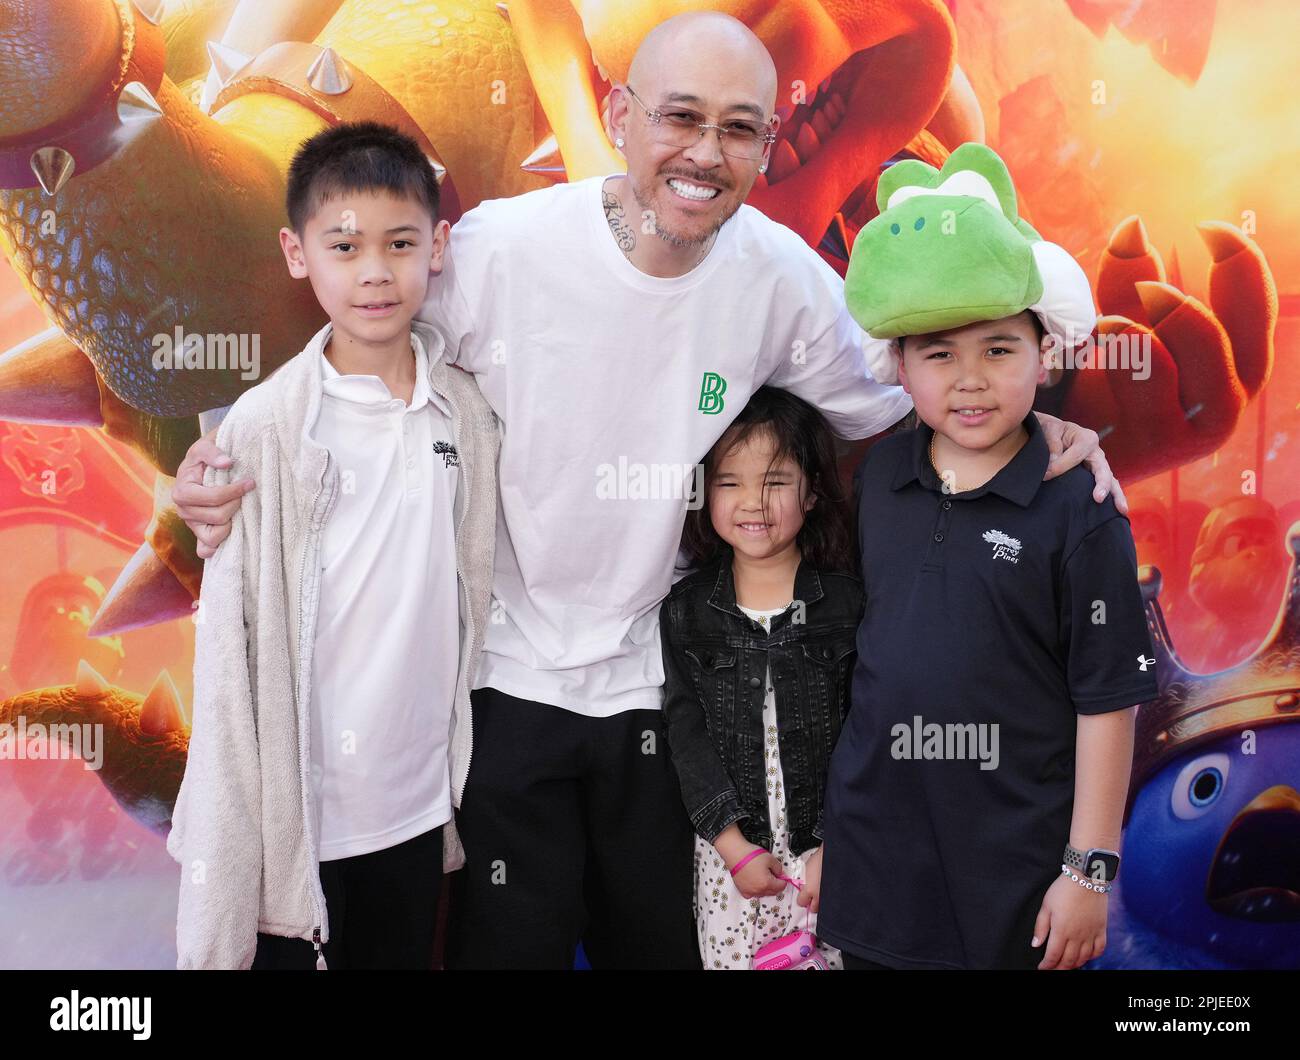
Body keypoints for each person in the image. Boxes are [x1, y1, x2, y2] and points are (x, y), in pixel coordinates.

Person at [170, 14, 1122, 969]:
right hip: (503, 680)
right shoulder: (505, 249)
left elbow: (909, 393)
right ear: (621, 113)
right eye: (680, 118)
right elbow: (365, 346)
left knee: (665, 950)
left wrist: (1051, 432)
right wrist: (224, 454)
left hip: (662, 686)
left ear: (767, 140)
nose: (706, 155)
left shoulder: (783, 282)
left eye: (740, 129)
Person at [165, 122, 499, 969]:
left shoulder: (465, 410)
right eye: (344, 246)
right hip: (300, 811)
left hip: (417, 803)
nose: (375, 271)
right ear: (296, 252)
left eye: (400, 243)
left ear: (439, 247)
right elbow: (231, 646)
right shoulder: (268, 426)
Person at [818, 143, 1157, 970]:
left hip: (1015, 876)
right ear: (897, 365)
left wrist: (1089, 871)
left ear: (1047, 356)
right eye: (939, 353)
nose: (970, 379)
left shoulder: (1082, 507)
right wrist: (826, 837)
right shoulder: (880, 476)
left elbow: (1108, 700)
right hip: (877, 863)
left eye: (999, 349)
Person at [661, 387, 857, 969]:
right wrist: (732, 846)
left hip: (832, 853)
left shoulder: (847, 604)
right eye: (730, 482)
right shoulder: (686, 610)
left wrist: (834, 839)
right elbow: (684, 731)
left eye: (775, 481)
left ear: (813, 491)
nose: (754, 502)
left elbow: (865, 726)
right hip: (735, 861)